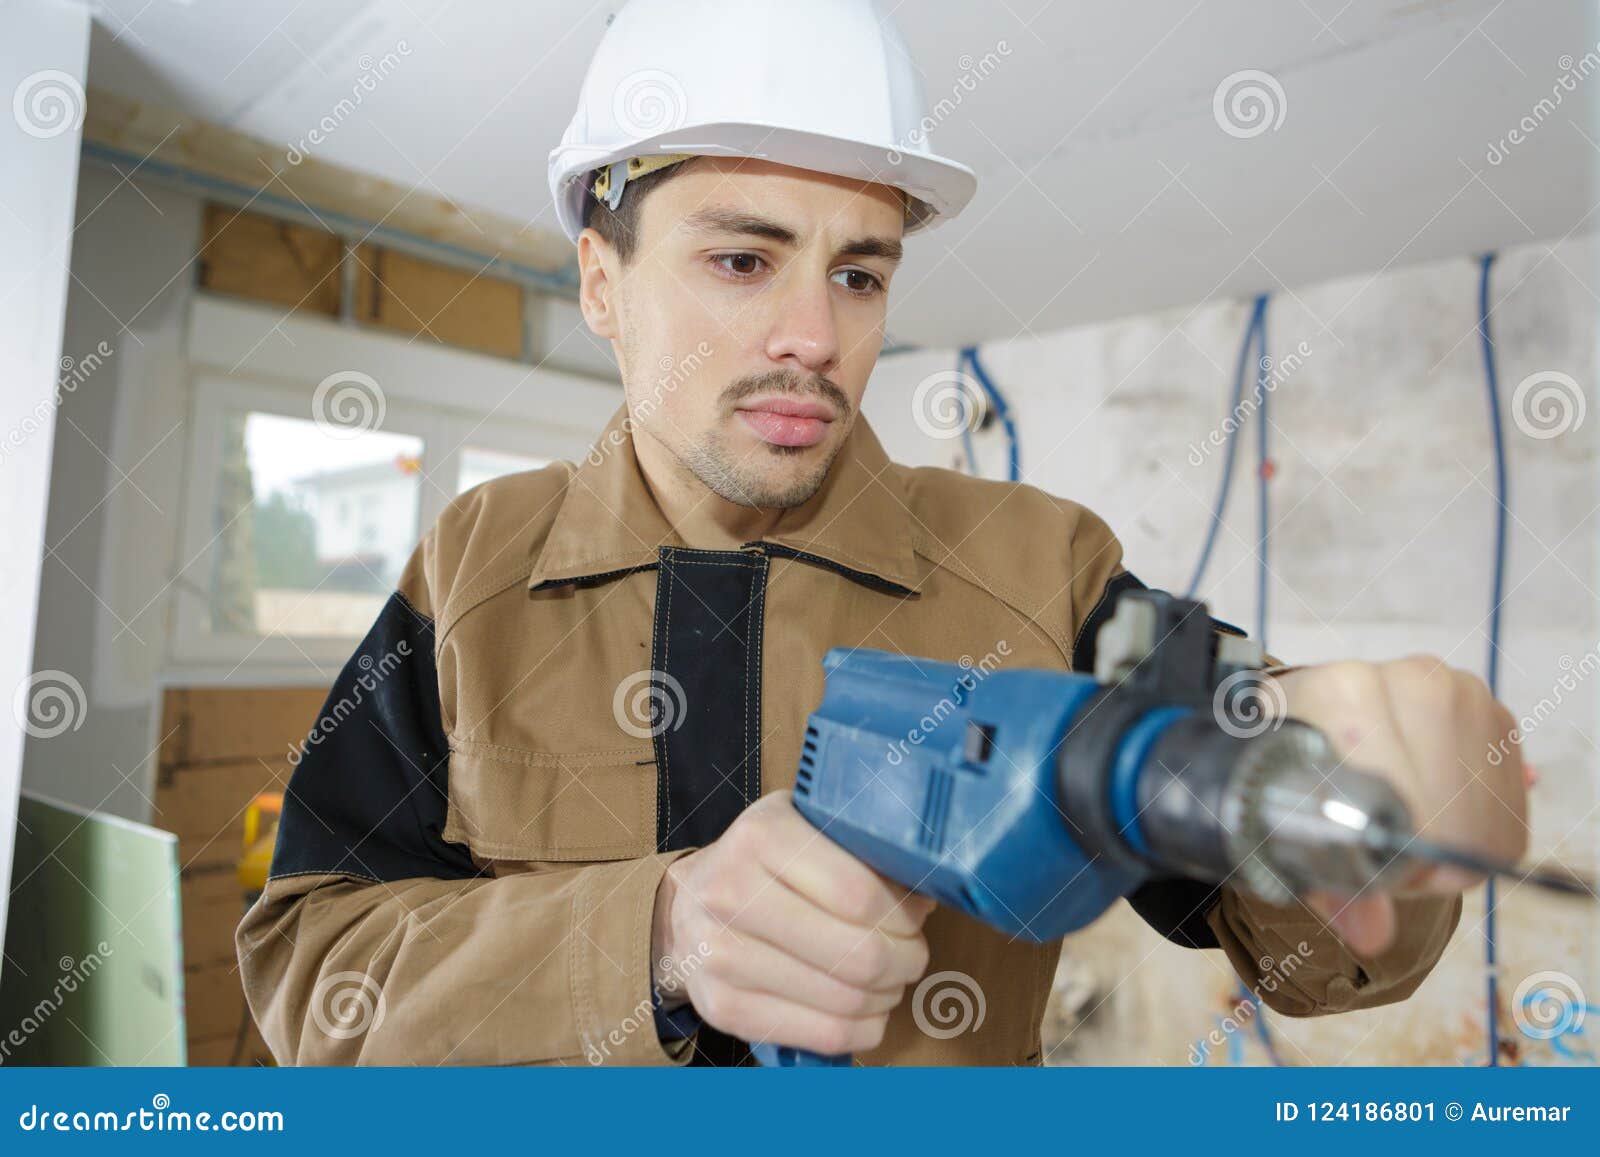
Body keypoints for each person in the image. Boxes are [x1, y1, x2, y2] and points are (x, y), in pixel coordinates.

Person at [237, 0, 1526, 1066]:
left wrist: (1364, 784)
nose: (817, 336)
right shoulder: (473, 569)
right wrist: (658, 936)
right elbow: (310, 973)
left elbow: (1305, 945)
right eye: (743, 261)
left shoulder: (1048, 572)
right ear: (601, 283)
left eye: (859, 274)